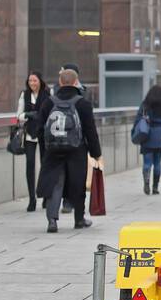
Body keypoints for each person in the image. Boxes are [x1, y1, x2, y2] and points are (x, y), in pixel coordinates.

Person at [35, 68, 101, 233]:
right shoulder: (83, 103)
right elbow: (90, 130)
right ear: (75, 82)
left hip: (53, 151)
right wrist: (95, 153)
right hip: (76, 150)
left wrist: (45, 150)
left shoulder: (49, 102)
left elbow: (39, 128)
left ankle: (52, 220)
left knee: (54, 184)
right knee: (77, 184)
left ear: (60, 82)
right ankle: (79, 219)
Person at [16, 71, 51, 212]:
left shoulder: (47, 95)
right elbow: (19, 116)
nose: (32, 83)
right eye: (30, 81)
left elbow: (48, 113)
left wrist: (35, 116)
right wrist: (29, 115)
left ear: (40, 81)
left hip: (43, 135)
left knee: (45, 165)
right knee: (30, 164)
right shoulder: (24, 95)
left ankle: (45, 196)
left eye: (35, 80)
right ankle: (32, 198)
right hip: (30, 135)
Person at [135, 84, 161, 194]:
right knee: (157, 162)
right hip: (160, 135)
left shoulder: (145, 104)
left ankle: (146, 183)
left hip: (147, 134)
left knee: (147, 162)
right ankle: (155, 187)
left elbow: (138, 118)